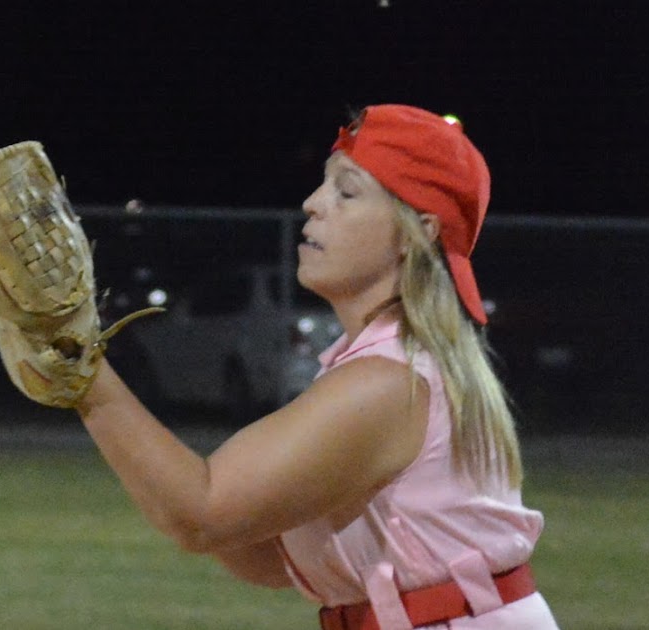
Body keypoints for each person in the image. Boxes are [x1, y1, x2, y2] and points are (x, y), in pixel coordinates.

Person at [75, 104, 559, 629]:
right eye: (324, 185)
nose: (312, 203)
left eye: (346, 191)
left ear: (415, 233)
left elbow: (202, 512)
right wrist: (207, 508)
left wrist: (86, 378)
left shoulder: (389, 381)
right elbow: (265, 557)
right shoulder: (386, 361)